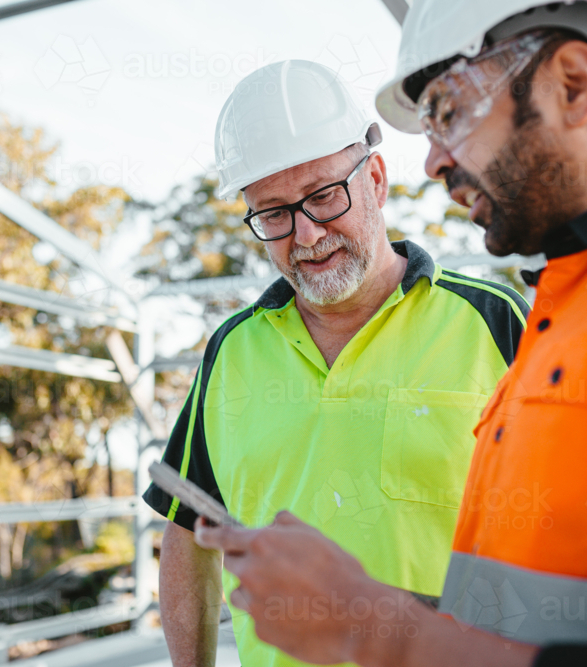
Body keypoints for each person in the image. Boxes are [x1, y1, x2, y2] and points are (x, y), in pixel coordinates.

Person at [195, 2, 587, 666]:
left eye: (448, 111)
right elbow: (521, 622)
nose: (433, 162)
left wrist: (376, 625)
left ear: (573, 83)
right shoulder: (567, 311)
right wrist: (348, 599)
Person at [142, 59, 530, 667]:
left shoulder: (495, 321)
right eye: (273, 214)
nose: (306, 235)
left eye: (323, 196)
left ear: (375, 178)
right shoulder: (231, 352)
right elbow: (187, 532)